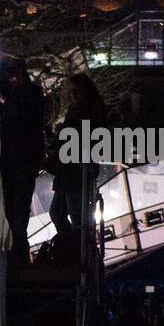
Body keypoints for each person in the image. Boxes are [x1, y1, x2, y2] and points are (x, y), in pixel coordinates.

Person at [0, 59, 46, 264]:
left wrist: (5, 101)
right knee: (11, 204)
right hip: (12, 156)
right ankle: (15, 249)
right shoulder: (12, 93)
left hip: (25, 155)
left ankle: (18, 251)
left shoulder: (32, 93)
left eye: (15, 73)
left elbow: (29, 117)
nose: (13, 78)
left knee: (20, 205)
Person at [47, 74, 108, 252]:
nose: (74, 95)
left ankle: (76, 250)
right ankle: (71, 247)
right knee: (60, 212)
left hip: (76, 169)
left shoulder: (89, 110)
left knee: (75, 215)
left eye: (76, 91)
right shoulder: (84, 110)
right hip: (70, 169)